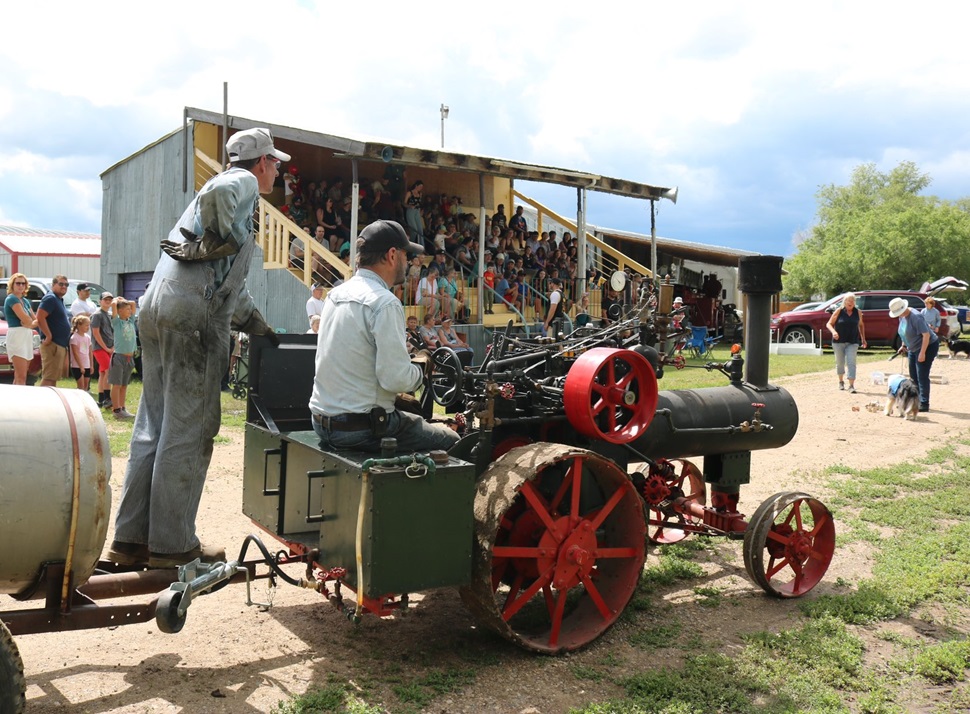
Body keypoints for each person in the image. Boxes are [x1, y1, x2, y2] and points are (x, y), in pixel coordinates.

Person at [107, 127, 286, 569]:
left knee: (153, 425)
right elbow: (221, 193)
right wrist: (223, 233)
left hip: (157, 309)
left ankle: (130, 540)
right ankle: (172, 545)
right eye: (275, 162)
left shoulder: (203, 211)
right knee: (188, 431)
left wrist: (261, 326)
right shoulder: (240, 183)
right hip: (191, 319)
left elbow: (231, 291)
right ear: (261, 162)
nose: (277, 169)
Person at [309, 219, 458, 453]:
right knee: (454, 441)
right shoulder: (385, 303)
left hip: (321, 421)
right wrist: (420, 368)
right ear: (391, 255)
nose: (408, 262)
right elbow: (395, 379)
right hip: (363, 429)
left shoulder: (335, 295)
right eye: (405, 255)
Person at [889, 297, 939, 413]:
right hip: (912, 347)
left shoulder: (916, 317)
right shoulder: (902, 317)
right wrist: (903, 345)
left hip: (927, 346)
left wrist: (922, 353)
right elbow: (903, 332)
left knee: (921, 375)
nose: (898, 315)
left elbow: (926, 335)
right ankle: (913, 401)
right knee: (913, 376)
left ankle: (924, 403)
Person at [826, 292, 867, 393]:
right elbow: (829, 324)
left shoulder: (858, 312)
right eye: (849, 300)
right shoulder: (839, 311)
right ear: (844, 302)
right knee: (840, 363)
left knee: (851, 362)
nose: (851, 302)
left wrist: (863, 338)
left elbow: (861, 325)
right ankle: (841, 381)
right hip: (838, 341)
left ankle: (851, 385)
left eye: (852, 301)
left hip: (853, 341)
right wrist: (834, 332)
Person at [36, 274, 71, 387]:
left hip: (59, 344)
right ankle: (41, 403)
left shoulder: (59, 300)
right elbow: (40, 317)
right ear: (53, 285)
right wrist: (48, 335)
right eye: (61, 284)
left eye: (66, 285)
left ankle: (50, 403)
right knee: (48, 378)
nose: (64, 286)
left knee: (53, 378)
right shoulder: (50, 298)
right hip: (52, 344)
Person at [3, 273, 37, 385]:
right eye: (18, 283)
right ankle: (19, 400)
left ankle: (12, 400)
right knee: (21, 376)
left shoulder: (25, 301)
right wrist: (29, 322)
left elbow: (35, 321)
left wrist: (29, 324)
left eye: (23, 283)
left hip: (27, 336)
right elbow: (27, 319)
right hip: (17, 336)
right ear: (12, 284)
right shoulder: (11, 299)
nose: (21, 286)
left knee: (21, 375)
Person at [109, 298, 137, 420]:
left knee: (124, 385)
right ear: (119, 311)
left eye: (130, 310)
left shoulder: (130, 321)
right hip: (119, 357)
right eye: (127, 309)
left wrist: (125, 301)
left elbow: (133, 303)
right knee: (117, 384)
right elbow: (114, 304)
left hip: (129, 358)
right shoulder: (117, 322)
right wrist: (117, 300)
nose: (130, 311)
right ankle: (116, 409)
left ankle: (123, 408)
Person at [91, 292, 115, 408]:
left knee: (102, 373)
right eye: (105, 299)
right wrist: (105, 347)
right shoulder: (97, 315)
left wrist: (112, 346)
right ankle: (107, 398)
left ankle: (101, 400)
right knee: (108, 371)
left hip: (109, 347)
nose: (108, 301)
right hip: (100, 348)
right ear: (100, 301)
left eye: (110, 299)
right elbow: (96, 333)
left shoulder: (109, 314)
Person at [69, 314, 92, 392]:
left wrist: (91, 365)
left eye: (89, 325)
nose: (88, 327)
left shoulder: (88, 337)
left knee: (86, 387)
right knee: (81, 387)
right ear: (79, 325)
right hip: (77, 366)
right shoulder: (74, 338)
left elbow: (90, 352)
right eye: (86, 325)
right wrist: (81, 366)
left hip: (87, 364)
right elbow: (75, 353)